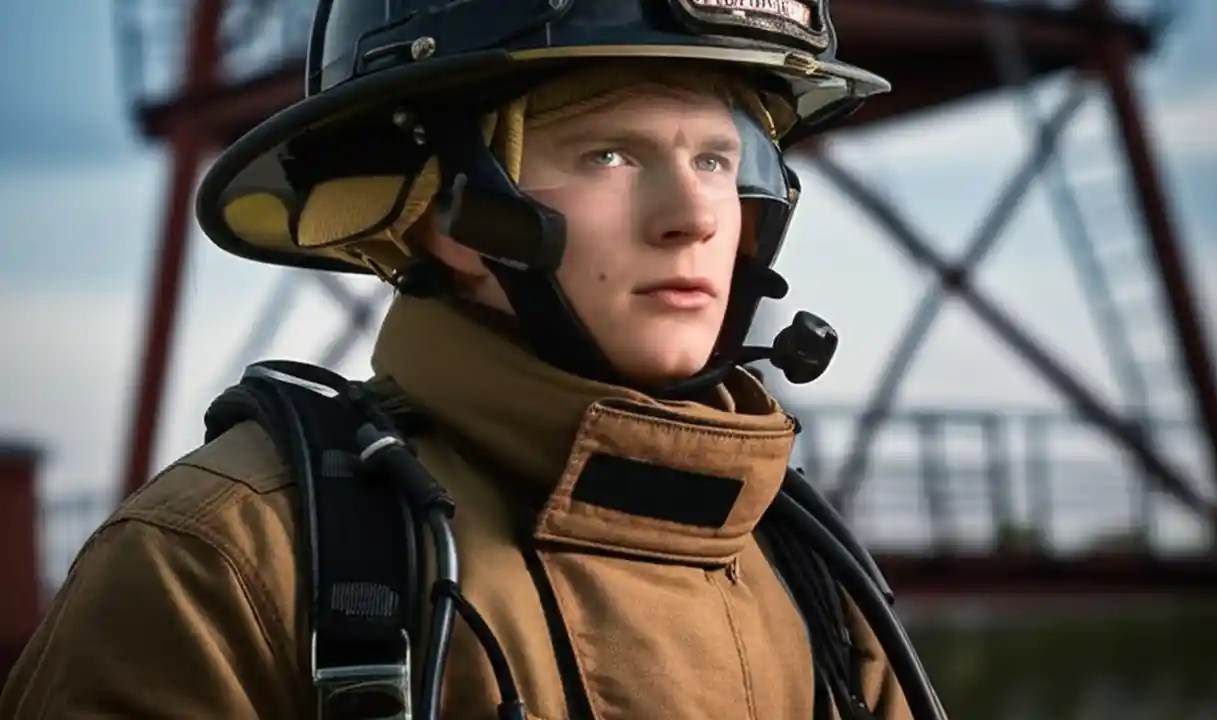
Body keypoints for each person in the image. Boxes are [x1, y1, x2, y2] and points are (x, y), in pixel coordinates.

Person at [1, 1, 935, 718]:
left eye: (720, 162)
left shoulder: (813, 578)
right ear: (448, 215)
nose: (692, 217)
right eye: (610, 155)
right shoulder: (227, 564)